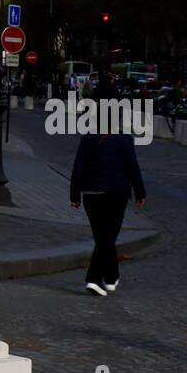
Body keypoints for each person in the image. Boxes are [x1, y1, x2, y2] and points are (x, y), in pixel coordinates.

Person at [70, 127, 146, 296]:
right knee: (108, 237)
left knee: (103, 237)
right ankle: (94, 279)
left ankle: (111, 277)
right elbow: (132, 166)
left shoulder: (88, 137)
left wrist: (74, 195)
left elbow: (79, 166)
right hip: (116, 194)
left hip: (92, 194)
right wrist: (140, 192)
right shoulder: (125, 138)